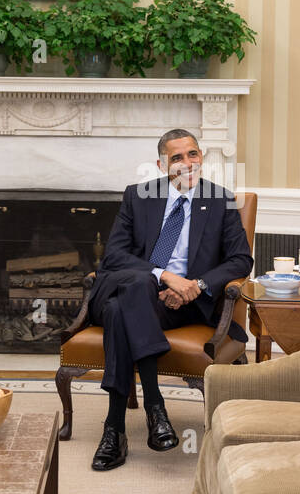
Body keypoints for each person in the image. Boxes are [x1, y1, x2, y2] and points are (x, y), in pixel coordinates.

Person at [87, 129, 253, 471]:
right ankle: (154, 407)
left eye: (193, 154)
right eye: (177, 157)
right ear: (162, 164)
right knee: (136, 287)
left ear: (201, 158)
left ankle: (114, 429)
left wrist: (197, 284)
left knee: (122, 309)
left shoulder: (220, 200)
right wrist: (166, 276)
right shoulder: (138, 196)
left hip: (186, 304)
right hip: (144, 290)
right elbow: (114, 255)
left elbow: (240, 260)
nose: (187, 163)